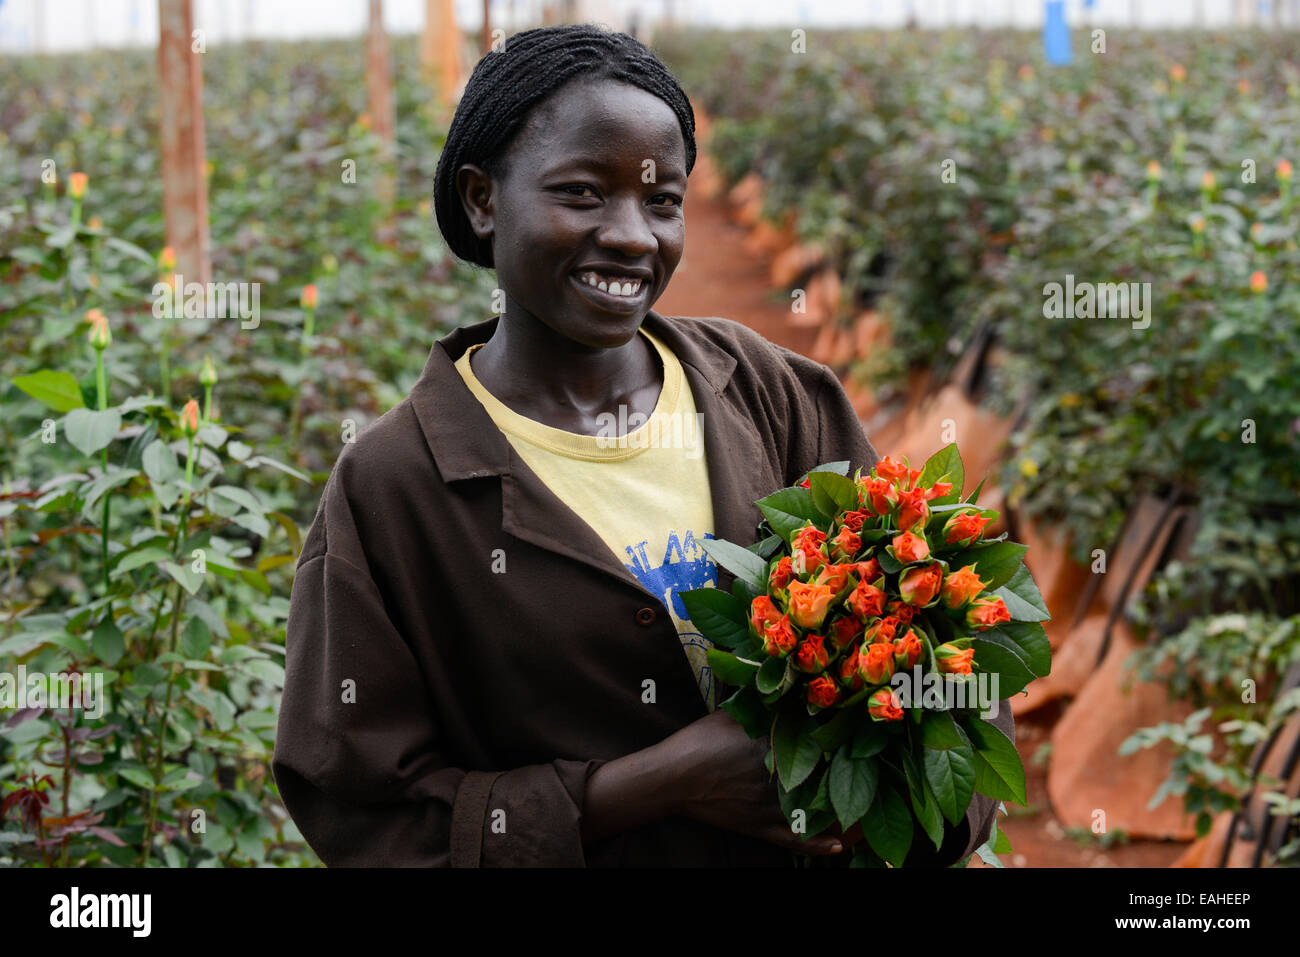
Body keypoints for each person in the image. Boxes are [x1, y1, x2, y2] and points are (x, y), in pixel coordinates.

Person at [271, 23, 1011, 867]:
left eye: (662, 201)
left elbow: (950, 665)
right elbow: (367, 817)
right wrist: (648, 786)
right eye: (582, 193)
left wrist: (908, 811)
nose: (632, 234)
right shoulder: (394, 490)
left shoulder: (770, 394)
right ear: (483, 200)